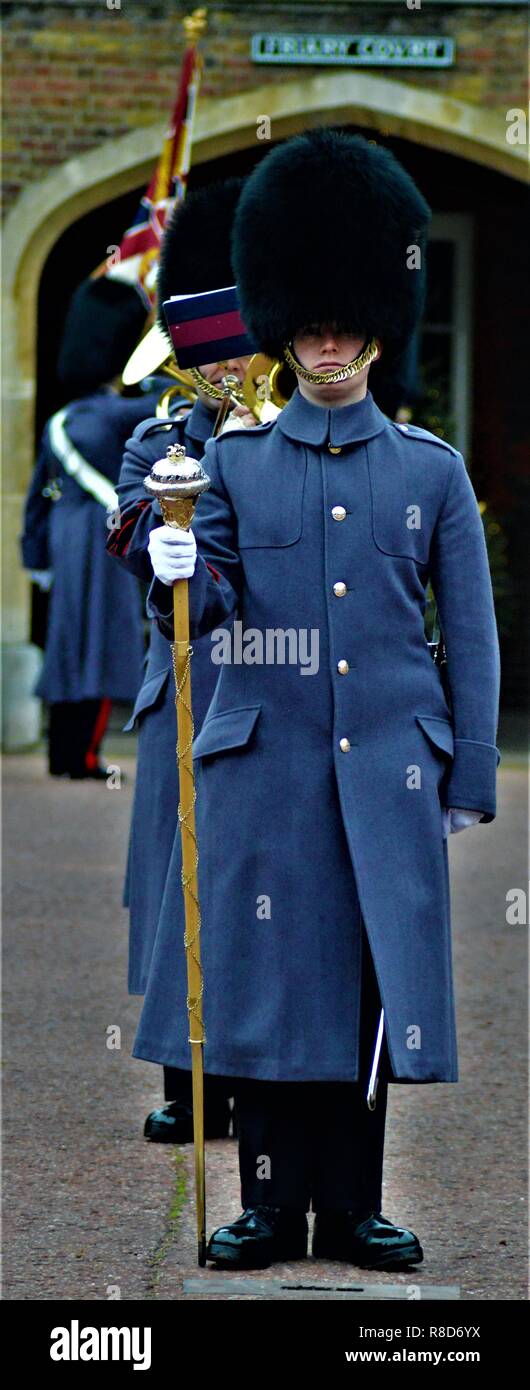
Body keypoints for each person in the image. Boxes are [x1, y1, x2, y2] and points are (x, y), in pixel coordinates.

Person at [139, 129, 501, 1270]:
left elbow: (471, 635)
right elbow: (206, 619)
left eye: (342, 325)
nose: (327, 343)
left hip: (390, 757)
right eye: (308, 326)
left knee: (360, 997)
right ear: (282, 330)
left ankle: (348, 1207)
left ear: (373, 327)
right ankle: (265, 1202)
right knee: (264, 985)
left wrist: (468, 771)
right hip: (264, 757)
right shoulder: (232, 463)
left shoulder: (430, 470)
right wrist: (178, 573)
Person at [108, 179, 253, 1141]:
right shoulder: (157, 439)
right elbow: (130, 537)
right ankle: (183, 1075)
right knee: (178, 876)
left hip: (277, 680)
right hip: (189, 681)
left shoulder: (293, 431)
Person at [20, 276, 158, 779]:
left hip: (64, 533)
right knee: (101, 646)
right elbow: (177, 409)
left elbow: (37, 498)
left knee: (67, 645)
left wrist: (33, 556)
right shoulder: (120, 412)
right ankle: (84, 756)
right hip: (106, 533)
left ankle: (63, 752)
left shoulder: (60, 420)